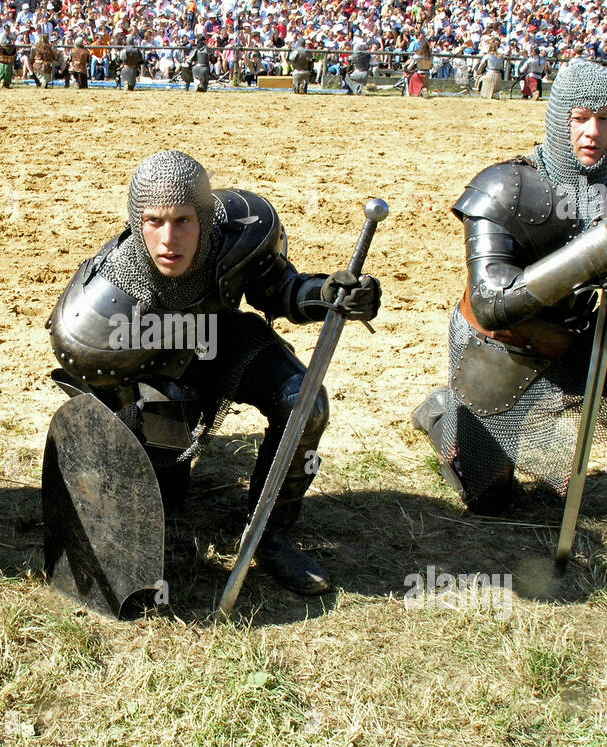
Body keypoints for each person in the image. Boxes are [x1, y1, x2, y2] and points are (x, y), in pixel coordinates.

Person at [412, 60, 607, 579]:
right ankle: (444, 414)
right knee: (490, 498)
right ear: (559, 118)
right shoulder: (503, 189)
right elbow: (491, 302)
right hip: (504, 355)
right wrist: (593, 252)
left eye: (604, 119)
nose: (592, 132)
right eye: (581, 117)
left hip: (585, 347)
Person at [47, 151, 381, 596]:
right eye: (154, 221)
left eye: (184, 220)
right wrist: (146, 431)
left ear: (207, 217)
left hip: (221, 338)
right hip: (157, 368)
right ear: (136, 222)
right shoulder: (110, 291)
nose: (169, 238)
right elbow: (97, 377)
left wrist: (326, 294)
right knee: (168, 488)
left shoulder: (241, 233)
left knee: (304, 402)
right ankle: (165, 471)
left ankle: (270, 535)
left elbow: (279, 289)